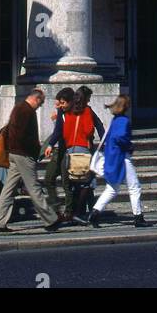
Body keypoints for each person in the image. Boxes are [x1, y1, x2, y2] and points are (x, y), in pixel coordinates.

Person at [0, 89, 61, 234]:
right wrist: (35, 152)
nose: (40, 106)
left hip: (14, 153)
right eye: (40, 103)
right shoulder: (27, 111)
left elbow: (12, 131)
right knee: (34, 188)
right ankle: (51, 220)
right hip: (23, 154)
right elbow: (23, 136)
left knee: (8, 189)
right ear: (36, 99)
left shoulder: (18, 108)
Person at [89, 95, 144, 228]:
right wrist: (129, 146)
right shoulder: (124, 121)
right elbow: (120, 138)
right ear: (125, 106)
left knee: (112, 188)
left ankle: (95, 213)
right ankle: (138, 217)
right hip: (122, 157)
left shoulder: (114, 120)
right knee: (134, 187)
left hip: (112, 157)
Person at [61, 86, 104, 223]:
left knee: (75, 181)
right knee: (88, 182)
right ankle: (80, 212)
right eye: (89, 98)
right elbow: (89, 130)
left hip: (70, 150)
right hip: (84, 149)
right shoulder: (87, 111)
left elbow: (66, 132)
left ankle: (83, 211)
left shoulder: (69, 111)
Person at [40, 87, 75, 219]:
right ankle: (56, 208)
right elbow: (58, 130)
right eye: (60, 103)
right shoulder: (61, 112)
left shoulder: (76, 113)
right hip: (59, 149)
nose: (60, 105)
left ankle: (69, 211)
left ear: (71, 102)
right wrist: (50, 145)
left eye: (63, 103)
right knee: (49, 178)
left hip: (69, 150)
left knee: (67, 182)